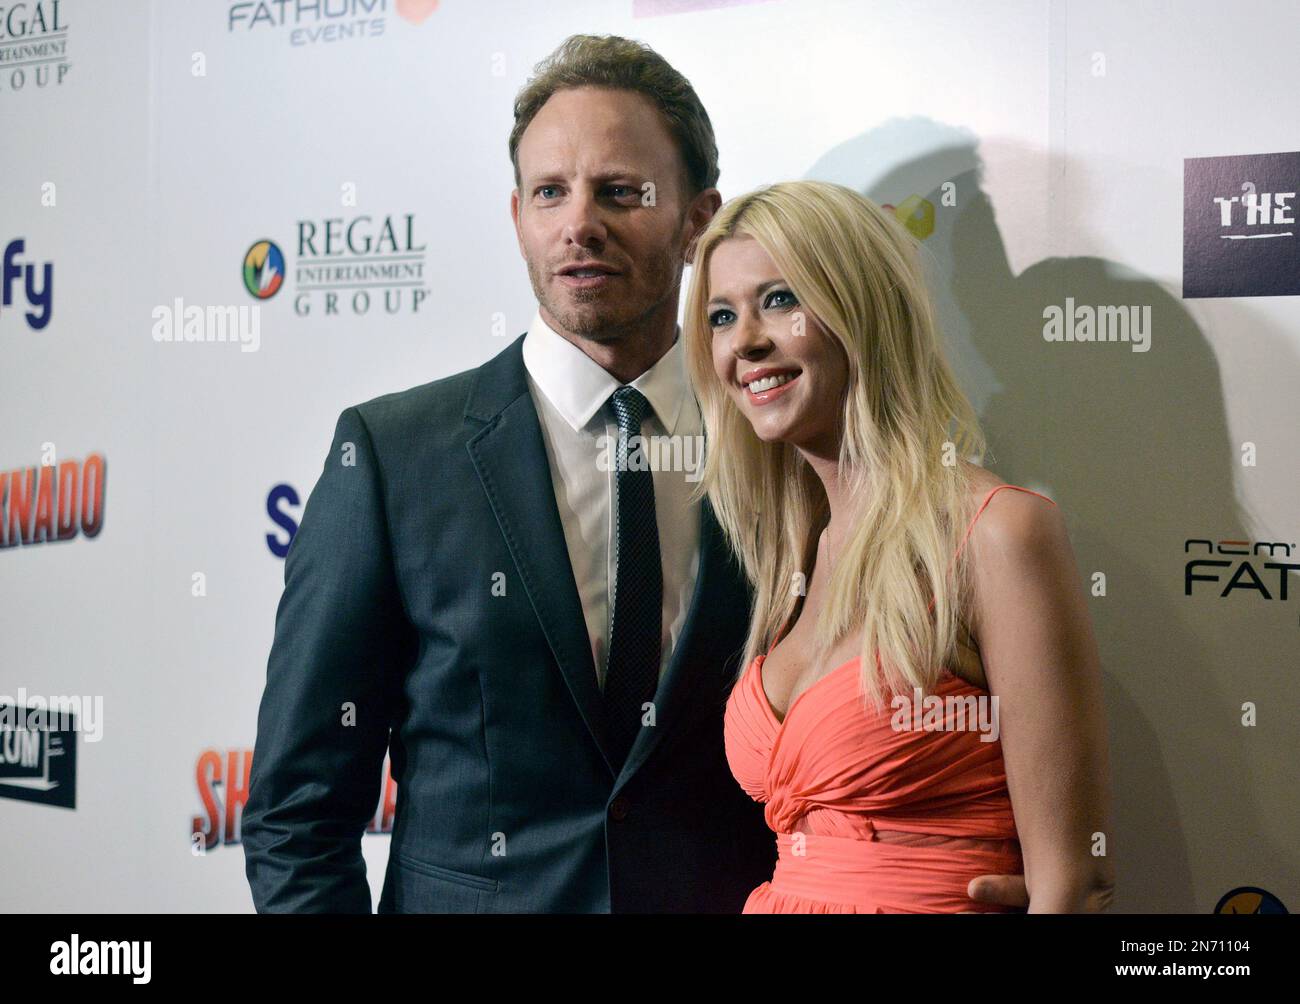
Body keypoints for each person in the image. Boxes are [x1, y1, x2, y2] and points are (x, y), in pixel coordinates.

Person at [243, 34, 1036, 913]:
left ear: (698, 217)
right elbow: (297, 813)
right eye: (551, 192)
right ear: (517, 217)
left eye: (622, 192)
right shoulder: (392, 458)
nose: (580, 222)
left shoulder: (785, 451)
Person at [683, 180, 1115, 912]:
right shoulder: (793, 556)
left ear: (864, 309)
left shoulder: (997, 533)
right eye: (723, 315)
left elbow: (1072, 884)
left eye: (782, 299)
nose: (747, 339)